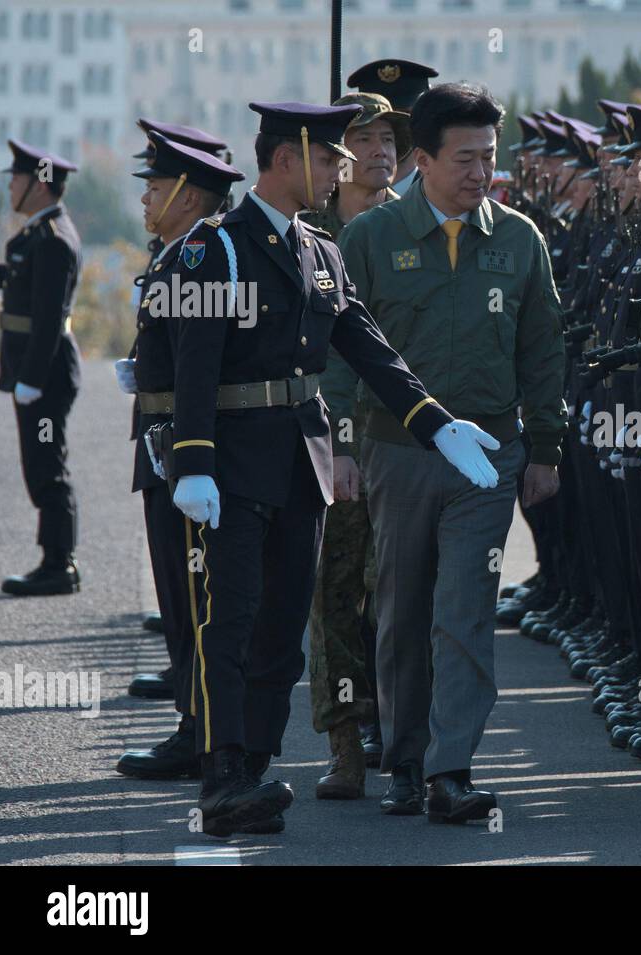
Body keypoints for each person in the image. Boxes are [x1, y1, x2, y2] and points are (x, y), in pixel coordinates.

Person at [165, 100, 502, 837]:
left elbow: (370, 349)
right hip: (233, 465)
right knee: (232, 619)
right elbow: (195, 365)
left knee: (284, 627)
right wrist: (193, 463)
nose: (341, 174)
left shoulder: (320, 251)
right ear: (285, 160)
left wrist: (436, 425)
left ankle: (253, 766)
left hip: (300, 466)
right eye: (329, 160)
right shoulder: (214, 248)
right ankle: (220, 773)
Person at [331, 83, 565, 824]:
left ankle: (450, 768)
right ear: (421, 160)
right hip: (395, 451)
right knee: (400, 608)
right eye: (464, 158)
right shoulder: (369, 238)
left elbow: (543, 350)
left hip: (489, 458)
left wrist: (546, 447)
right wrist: (339, 447)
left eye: (489, 158)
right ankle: (402, 758)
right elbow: (340, 351)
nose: (480, 173)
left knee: (465, 609)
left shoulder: (520, 240)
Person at [114, 132, 246, 783]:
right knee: (180, 595)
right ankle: (195, 722)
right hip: (164, 438)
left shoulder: (196, 255)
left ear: (189, 195)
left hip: (180, 446)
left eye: (156, 186)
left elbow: (200, 362)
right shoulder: (178, 253)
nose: (145, 196)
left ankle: (200, 731)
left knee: (195, 601)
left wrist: (190, 457)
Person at [300, 90, 410, 799]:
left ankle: (404, 739)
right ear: (337, 157)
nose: (379, 150)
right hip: (332, 440)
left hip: (404, 440)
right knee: (335, 595)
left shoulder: (421, 229)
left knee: (403, 595)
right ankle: (346, 742)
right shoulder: (305, 237)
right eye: (363, 138)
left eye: (389, 138)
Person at [0, 141, 82, 597]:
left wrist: (30, 379)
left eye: (17, 176)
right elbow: (16, 277)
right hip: (33, 373)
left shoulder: (53, 240)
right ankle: (54, 558)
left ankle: (58, 564)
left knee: (47, 465)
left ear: (40, 184)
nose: (10, 183)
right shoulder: (37, 233)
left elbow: (49, 319)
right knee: (39, 462)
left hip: (43, 376)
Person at [346, 59, 439, 195]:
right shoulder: (327, 195)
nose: (397, 127)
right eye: (381, 117)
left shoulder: (443, 194)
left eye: (406, 115)